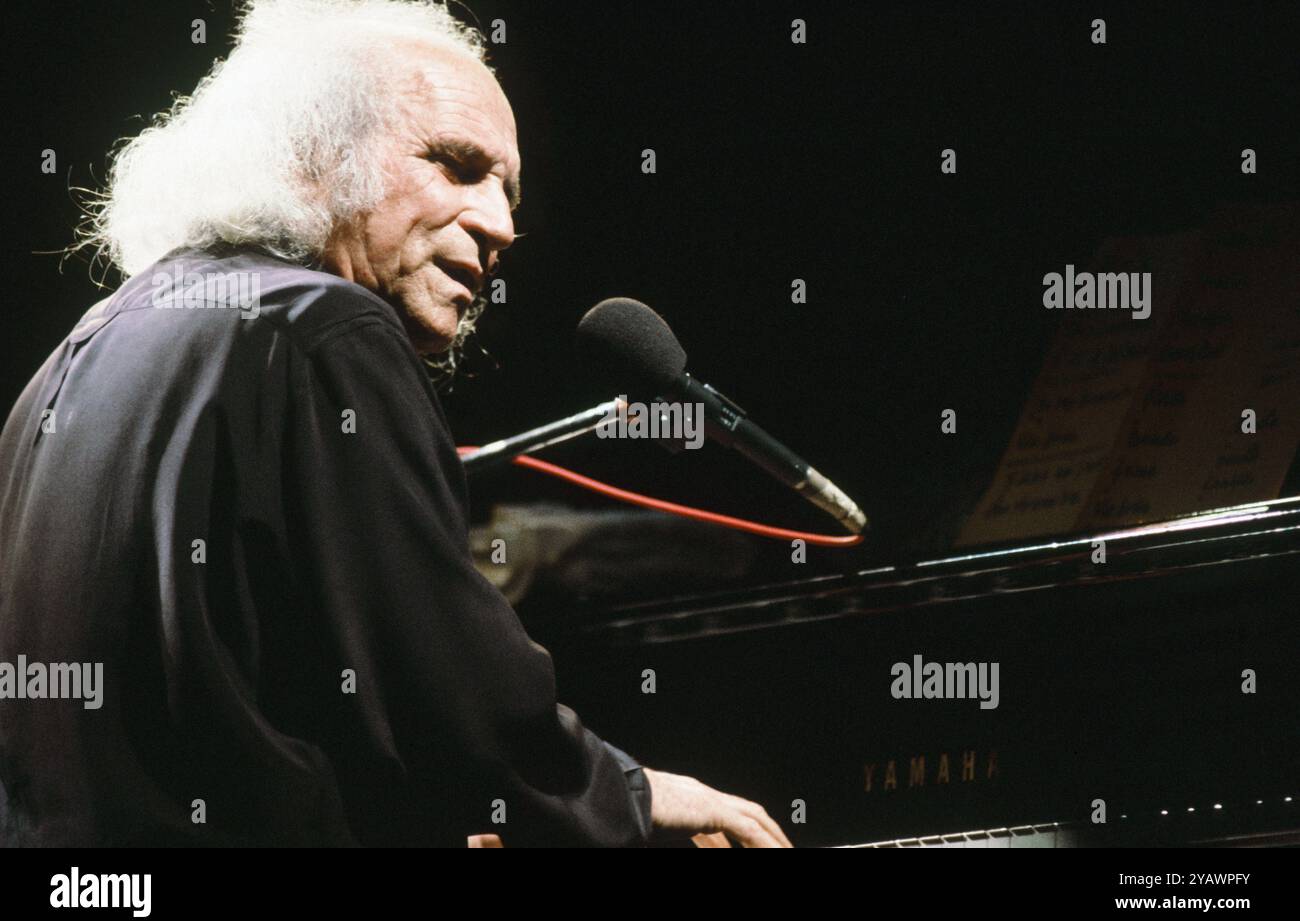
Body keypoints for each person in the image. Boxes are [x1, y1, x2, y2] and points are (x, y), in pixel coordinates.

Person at [0, 0, 790, 848]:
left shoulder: (76, 355)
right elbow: (452, 695)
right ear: (314, 157)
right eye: (455, 166)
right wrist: (627, 797)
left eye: (508, 191)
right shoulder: (324, 330)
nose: (500, 224)